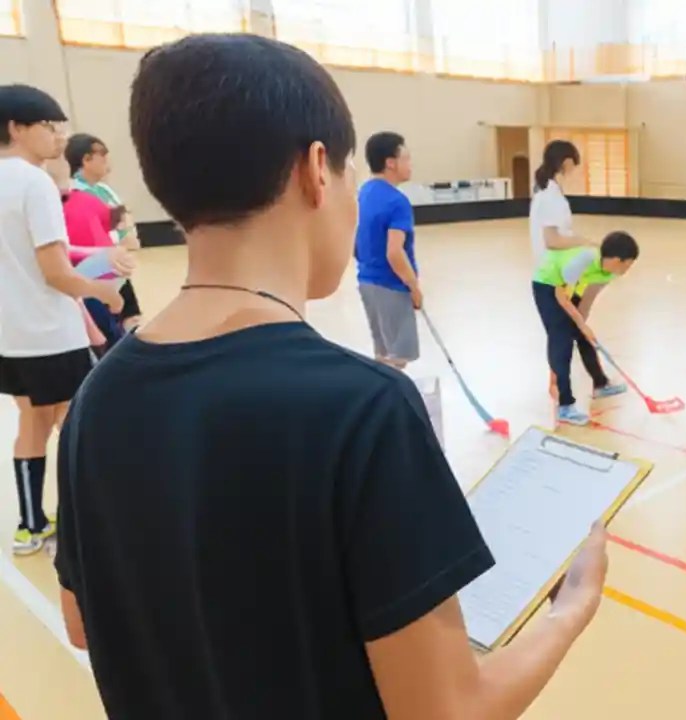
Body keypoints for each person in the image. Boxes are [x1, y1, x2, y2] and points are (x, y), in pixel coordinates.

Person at [54, 34, 607, 719]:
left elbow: (83, 623)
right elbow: (447, 713)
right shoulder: (364, 409)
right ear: (317, 168)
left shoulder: (98, 397)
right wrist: (572, 609)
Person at [0, 85, 123, 556]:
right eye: (48, 127)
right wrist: (102, 290)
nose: (57, 137)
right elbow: (55, 272)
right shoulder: (36, 185)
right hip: (52, 334)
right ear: (15, 128)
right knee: (76, 428)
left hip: (12, 336)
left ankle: (31, 525)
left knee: (31, 422)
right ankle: (82, 524)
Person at [532, 232, 636, 426]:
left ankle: (600, 384)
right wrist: (579, 324)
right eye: (627, 265)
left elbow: (586, 300)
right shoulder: (583, 261)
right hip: (547, 283)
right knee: (561, 340)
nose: (627, 270)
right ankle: (564, 405)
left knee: (580, 335)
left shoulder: (610, 272)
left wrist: (583, 325)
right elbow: (560, 296)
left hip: (568, 287)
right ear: (615, 259)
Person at [66, 132, 144, 330]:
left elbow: (123, 219)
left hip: (115, 261)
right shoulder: (74, 192)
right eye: (102, 154)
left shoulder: (104, 189)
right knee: (108, 317)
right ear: (86, 159)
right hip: (93, 264)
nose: (107, 160)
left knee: (130, 316)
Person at [355, 131, 420, 369]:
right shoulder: (397, 201)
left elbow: (357, 242)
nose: (410, 164)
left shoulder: (364, 193)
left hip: (367, 283)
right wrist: (413, 287)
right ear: (390, 163)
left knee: (383, 355)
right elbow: (394, 252)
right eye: (406, 158)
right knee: (397, 360)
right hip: (391, 286)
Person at [529, 139, 595, 267]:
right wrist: (584, 242)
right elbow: (552, 241)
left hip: (553, 268)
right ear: (567, 162)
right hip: (552, 272)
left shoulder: (548, 192)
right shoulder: (550, 196)